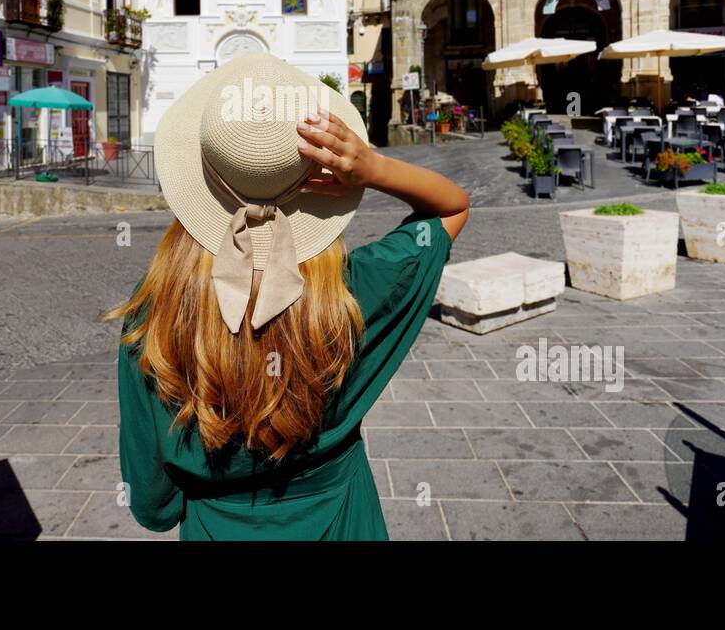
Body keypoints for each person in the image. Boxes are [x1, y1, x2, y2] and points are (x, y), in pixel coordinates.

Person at [107, 53, 470, 540]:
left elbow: (152, 505)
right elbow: (451, 208)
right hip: (344, 520)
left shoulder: (154, 312)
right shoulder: (355, 291)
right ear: (319, 182)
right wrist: (375, 168)